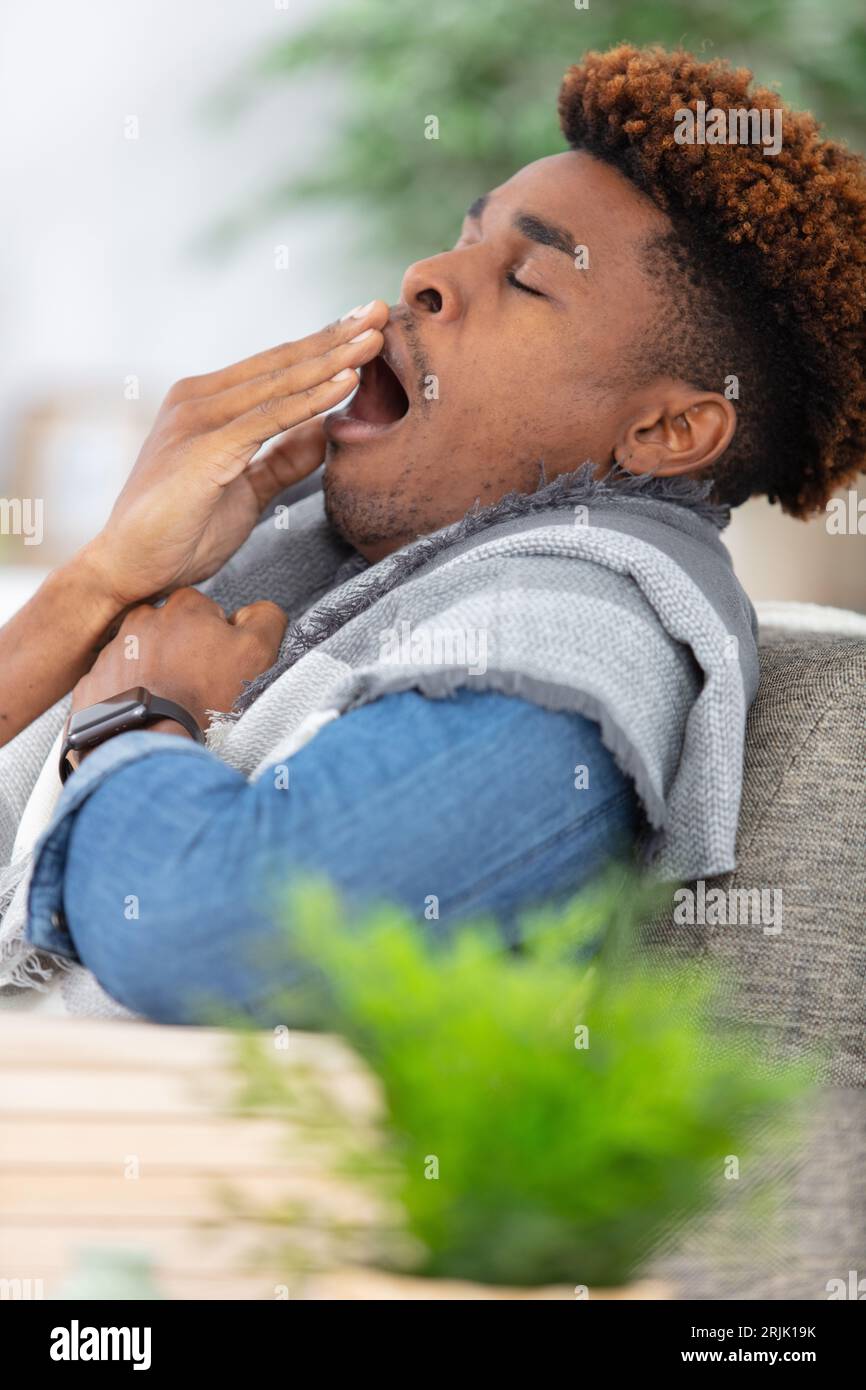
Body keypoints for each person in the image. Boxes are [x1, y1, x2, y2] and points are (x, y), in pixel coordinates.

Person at [1, 45, 863, 1022]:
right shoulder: (323, 552)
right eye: (463, 234)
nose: (424, 276)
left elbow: (211, 933)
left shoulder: (568, 631)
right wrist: (105, 577)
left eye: (527, 280)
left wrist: (138, 713)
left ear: (665, 432)